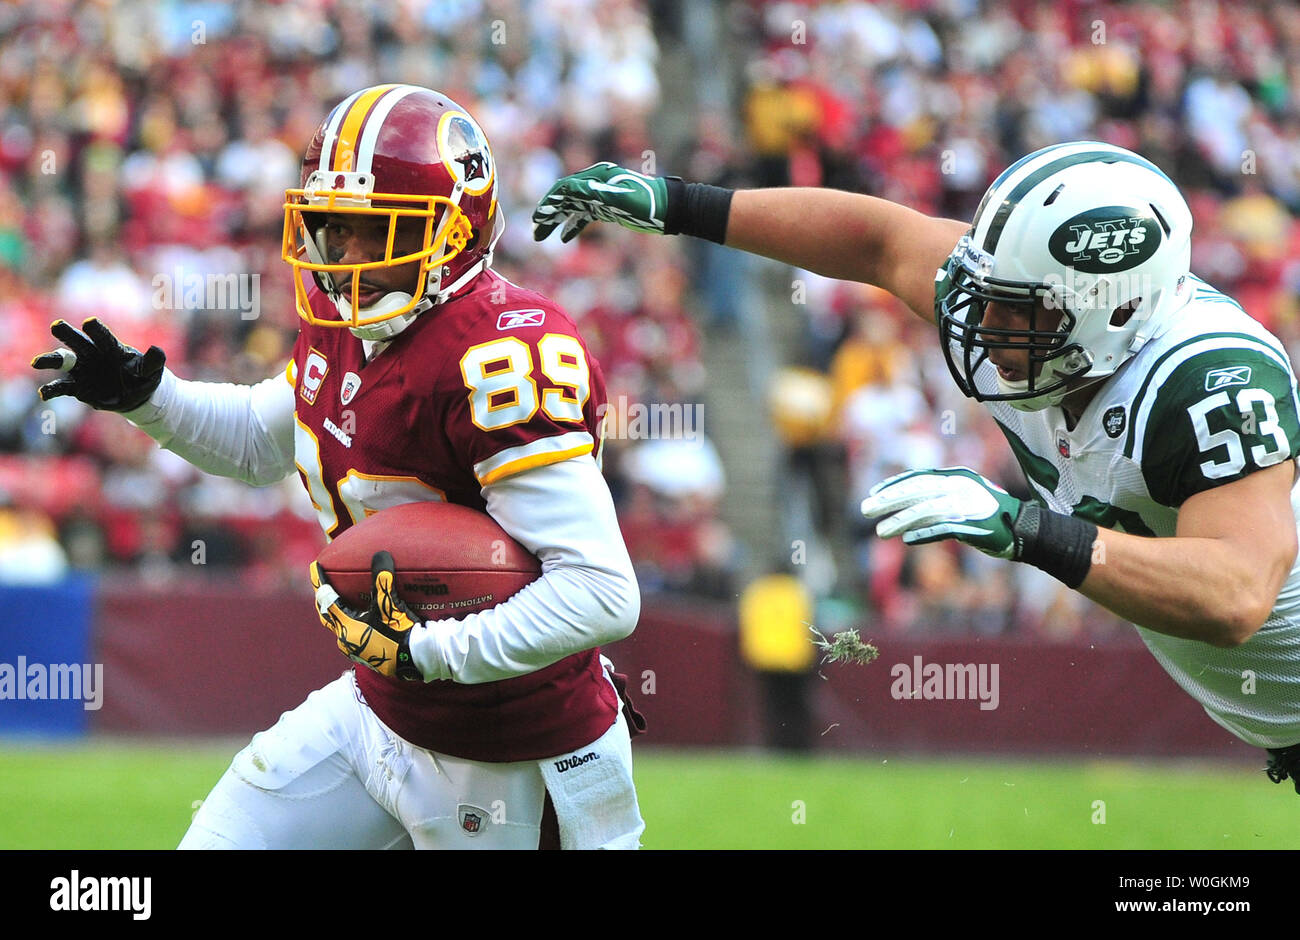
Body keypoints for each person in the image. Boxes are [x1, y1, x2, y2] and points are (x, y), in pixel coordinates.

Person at [532, 142, 1300, 791]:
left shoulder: (1208, 382)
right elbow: (876, 240)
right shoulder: (1044, 312)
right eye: (985, 296)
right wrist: (678, 203)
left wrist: (1024, 531)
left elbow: (1236, 597)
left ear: (1118, 309)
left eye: (1018, 310)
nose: (983, 324)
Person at [33, 84, 646, 848]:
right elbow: (266, 439)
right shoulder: (344, 320)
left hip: (518, 750)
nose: (347, 259)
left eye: (374, 233)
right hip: (382, 708)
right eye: (335, 229)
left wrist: (426, 650)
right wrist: (149, 397)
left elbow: (601, 594)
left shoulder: (501, 354)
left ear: (454, 234)